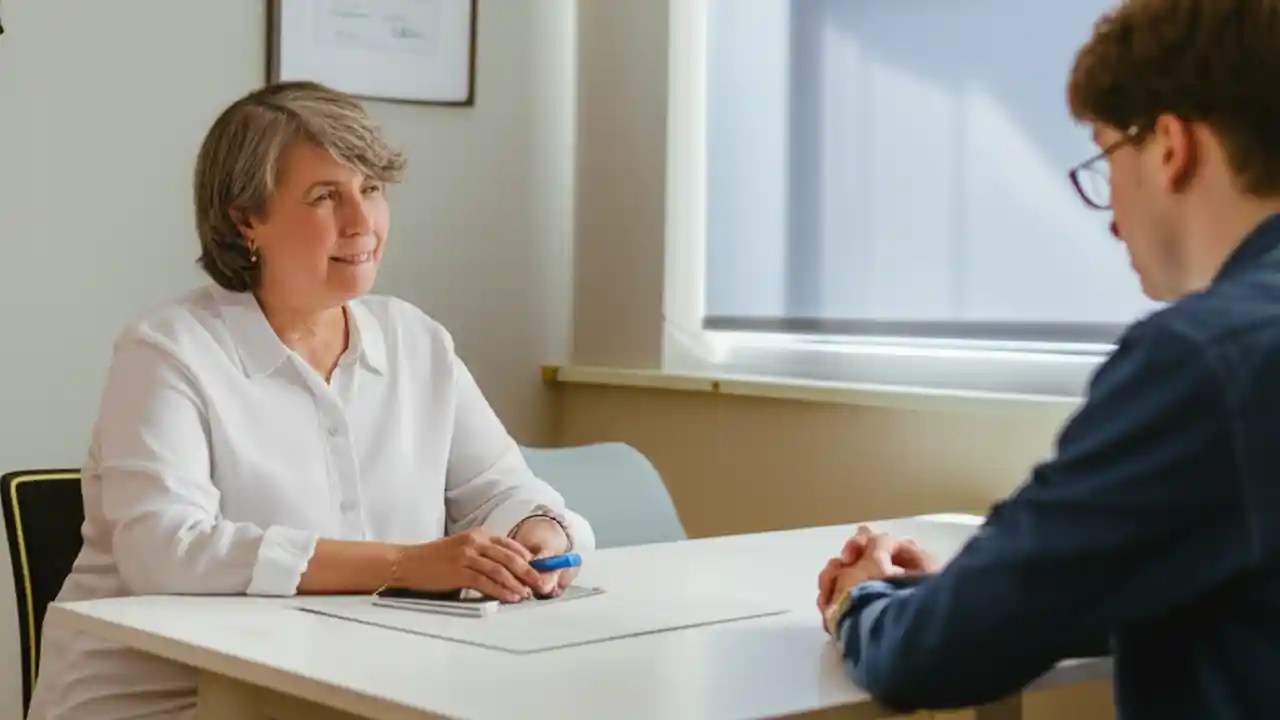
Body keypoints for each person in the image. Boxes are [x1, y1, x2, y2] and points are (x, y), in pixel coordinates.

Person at [27, 81, 595, 720]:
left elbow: (501, 489)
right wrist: (406, 564)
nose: (361, 223)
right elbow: (165, 548)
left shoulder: (417, 342)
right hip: (165, 701)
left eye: (372, 190)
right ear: (247, 219)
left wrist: (535, 534)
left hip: (340, 685)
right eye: (326, 197)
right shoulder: (167, 350)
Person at [816, 1, 1280, 718]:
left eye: (1103, 154)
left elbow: (934, 661)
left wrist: (861, 601)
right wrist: (985, 594)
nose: (1109, 212)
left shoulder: (1202, 363)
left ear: (1168, 145)